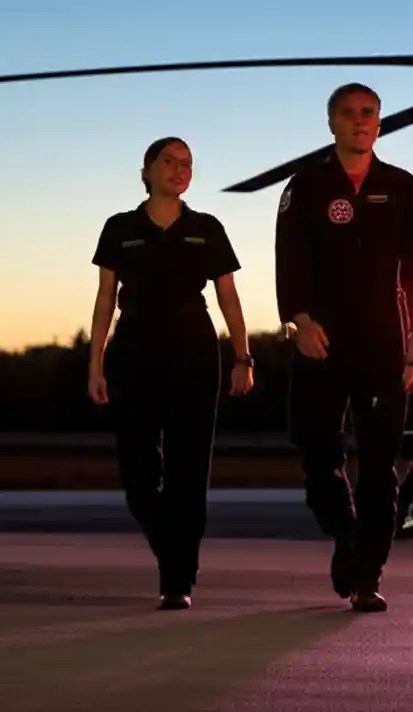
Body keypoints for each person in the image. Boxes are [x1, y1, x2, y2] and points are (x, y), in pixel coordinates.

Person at [274, 82, 413, 613]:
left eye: (368, 113)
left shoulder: (398, 186)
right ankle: (346, 536)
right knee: (318, 455)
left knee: (378, 464)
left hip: (382, 341)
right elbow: (289, 258)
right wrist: (299, 319)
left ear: (380, 121)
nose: (359, 121)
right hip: (320, 339)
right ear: (332, 124)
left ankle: (367, 573)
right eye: (348, 114)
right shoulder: (307, 185)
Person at [87, 136, 253, 611]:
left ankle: (176, 579)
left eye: (188, 164)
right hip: (133, 355)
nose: (180, 170)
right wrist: (94, 361)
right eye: (169, 161)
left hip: (195, 356)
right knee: (138, 474)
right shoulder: (120, 228)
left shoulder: (207, 228)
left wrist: (244, 357)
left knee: (189, 471)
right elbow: (104, 300)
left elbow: (229, 297)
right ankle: (172, 547)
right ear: (146, 170)